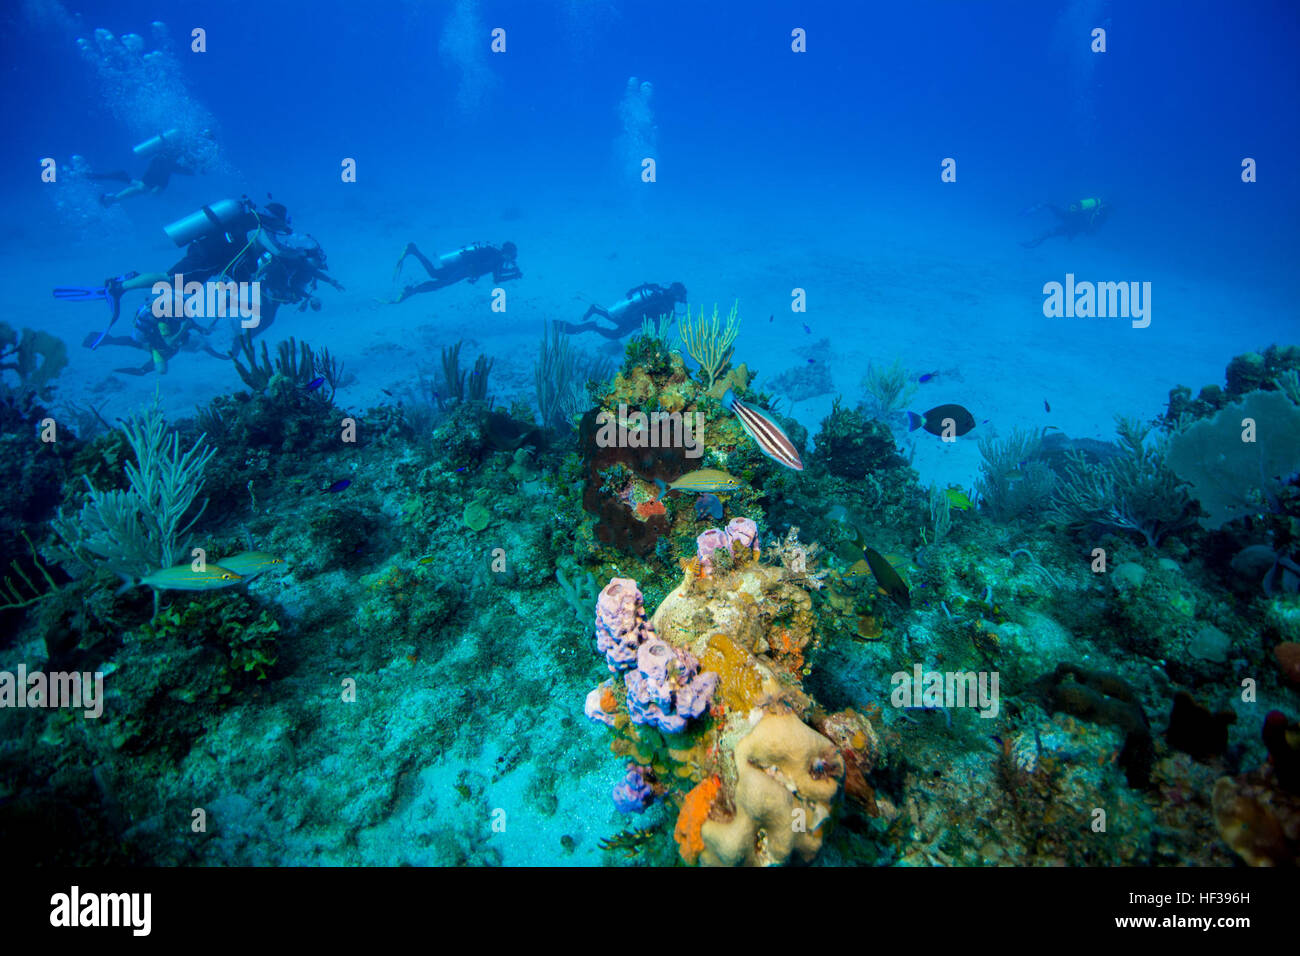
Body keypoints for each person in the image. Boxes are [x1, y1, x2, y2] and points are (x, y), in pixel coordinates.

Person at [55, 196, 342, 372]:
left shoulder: (248, 225)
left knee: (175, 296)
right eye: (284, 224)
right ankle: (120, 286)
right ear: (279, 218)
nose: (283, 229)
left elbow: (246, 271)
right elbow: (277, 251)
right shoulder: (258, 225)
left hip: (210, 261)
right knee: (170, 283)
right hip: (207, 258)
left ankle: (153, 331)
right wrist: (300, 251)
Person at [88, 129, 212, 206]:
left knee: (154, 192)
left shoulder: (192, 145)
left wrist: (199, 168)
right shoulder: (190, 142)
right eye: (207, 140)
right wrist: (198, 167)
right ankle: (112, 197)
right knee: (144, 188)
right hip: (160, 164)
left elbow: (187, 164)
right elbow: (186, 161)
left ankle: (124, 182)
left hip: (167, 168)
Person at [384, 241, 521, 304]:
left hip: (462, 265)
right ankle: (411, 291)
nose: (512, 258)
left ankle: (413, 250)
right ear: (508, 253)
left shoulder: (496, 256)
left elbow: (494, 271)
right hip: (465, 270)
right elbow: (497, 279)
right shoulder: (498, 259)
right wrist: (514, 275)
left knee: (434, 274)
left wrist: (511, 271)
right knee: (442, 283)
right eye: (512, 255)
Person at [559, 282, 687, 339]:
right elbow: (659, 323)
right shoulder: (666, 304)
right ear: (677, 295)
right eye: (681, 296)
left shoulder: (657, 291)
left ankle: (596, 310)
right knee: (615, 335)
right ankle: (592, 325)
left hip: (631, 313)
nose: (682, 299)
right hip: (634, 319)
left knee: (614, 318)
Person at [1020, 197, 1112, 249]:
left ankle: (1044, 204)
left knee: (1058, 214)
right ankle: (1034, 241)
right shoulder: (1102, 214)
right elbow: (1090, 228)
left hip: (1073, 217)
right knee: (1054, 232)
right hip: (1075, 225)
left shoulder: (1098, 210)